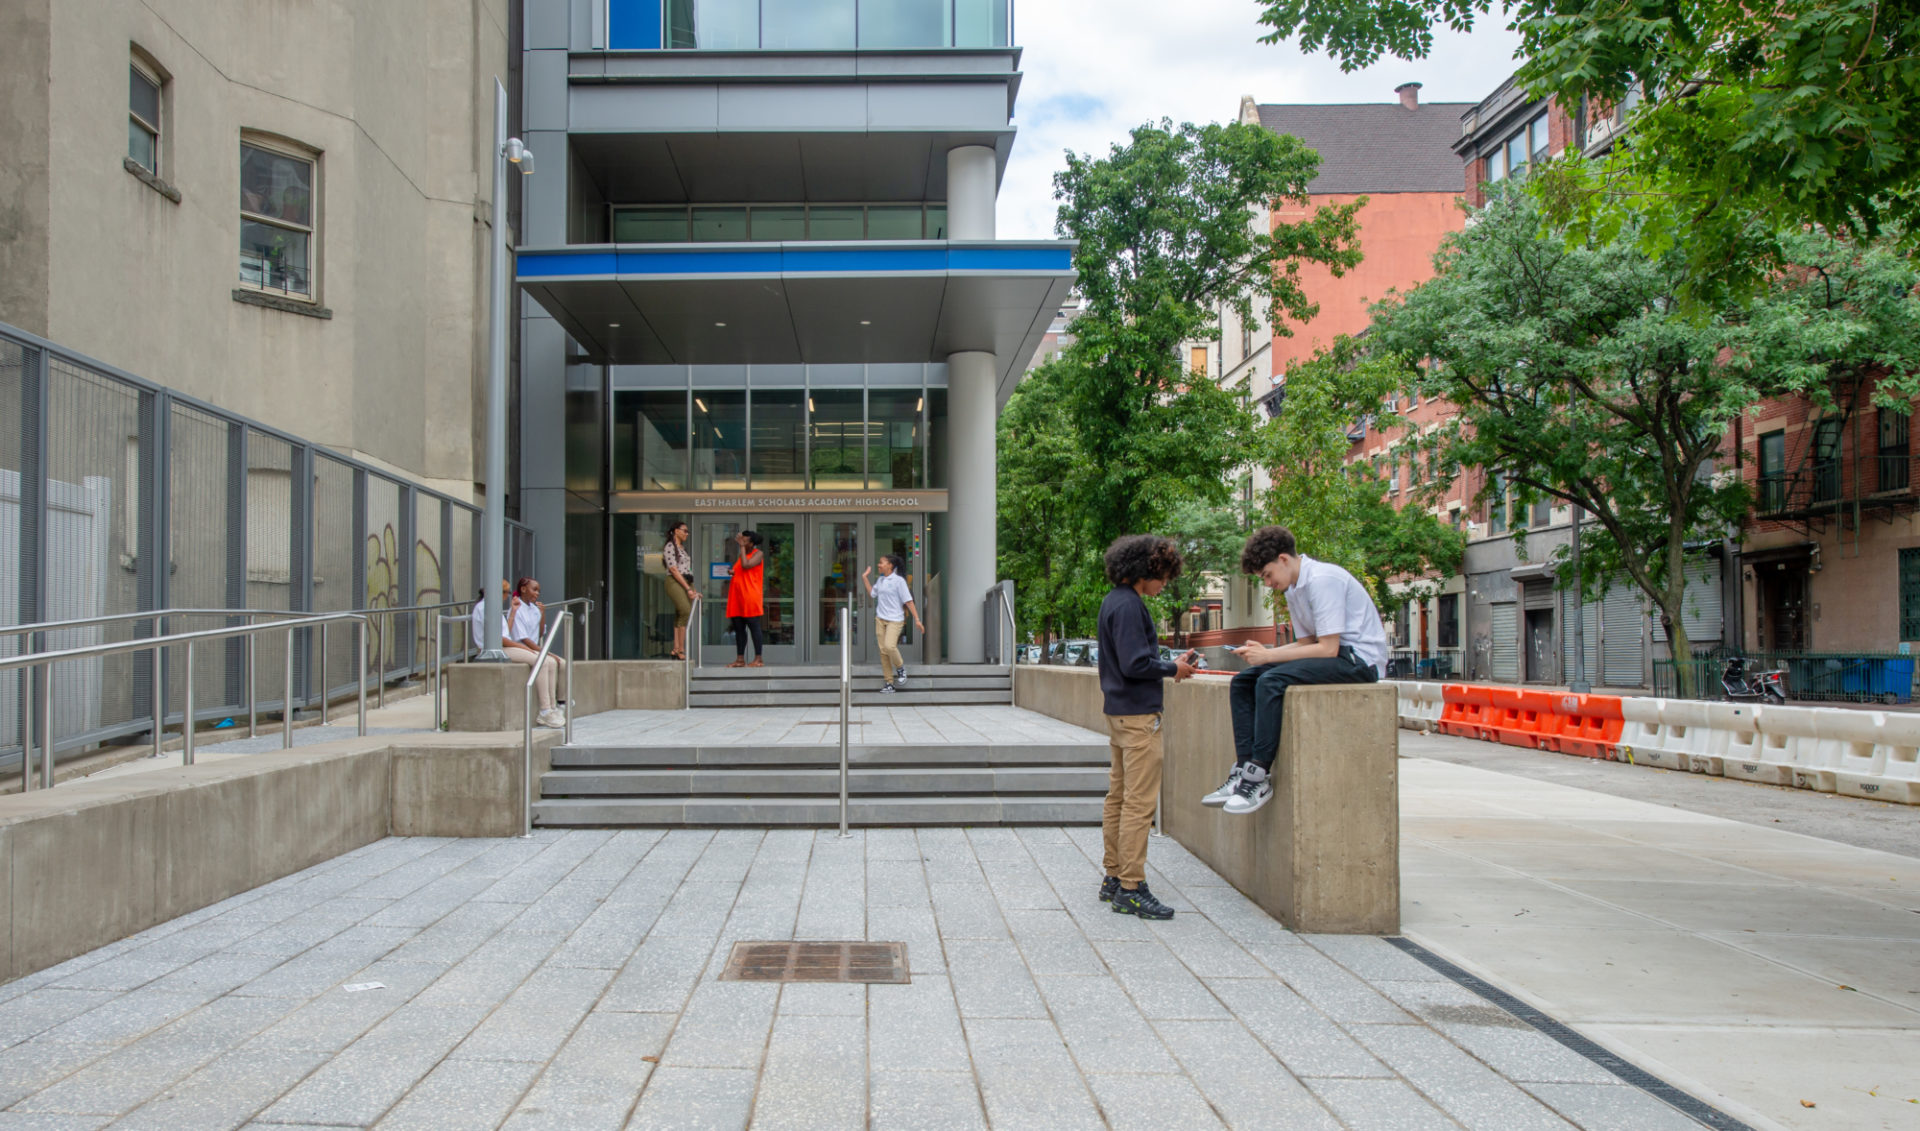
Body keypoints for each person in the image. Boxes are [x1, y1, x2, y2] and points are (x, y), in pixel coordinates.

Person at [1206, 526, 1387, 815]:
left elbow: (1328, 648)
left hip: (1360, 660)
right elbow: (1305, 644)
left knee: (1271, 680)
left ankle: (1257, 777)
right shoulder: (1293, 588)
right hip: (1335, 654)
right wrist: (1264, 654)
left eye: (1268, 575)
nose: (1268, 583)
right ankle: (1242, 770)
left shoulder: (1322, 579)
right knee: (1243, 682)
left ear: (1283, 559)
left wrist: (1269, 657)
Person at [1095, 534, 1198, 920]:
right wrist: (1173, 668)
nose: (1164, 584)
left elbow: (1130, 658)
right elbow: (1135, 664)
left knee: (1119, 798)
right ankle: (1131, 888)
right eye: (1164, 577)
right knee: (1139, 804)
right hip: (1139, 717)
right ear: (1147, 570)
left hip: (1119, 712)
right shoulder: (1129, 606)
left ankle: (1113, 876)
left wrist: (1171, 662)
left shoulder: (1113, 601)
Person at [509, 577, 568, 728]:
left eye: (539, 591)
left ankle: (557, 705)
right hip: (522, 647)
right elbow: (523, 638)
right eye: (534, 589)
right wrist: (544, 652)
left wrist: (542, 614)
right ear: (523, 589)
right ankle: (546, 709)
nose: (537, 593)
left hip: (534, 647)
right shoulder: (517, 608)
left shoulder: (535, 609)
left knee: (561, 663)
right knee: (547, 661)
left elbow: (540, 633)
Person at [861, 554, 924, 692]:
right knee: (883, 652)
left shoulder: (899, 581)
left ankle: (900, 668)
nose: (878, 565)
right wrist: (864, 577)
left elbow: (908, 601)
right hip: (880, 619)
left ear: (890, 565)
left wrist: (917, 619)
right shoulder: (881, 580)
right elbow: (872, 593)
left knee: (889, 646)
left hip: (895, 620)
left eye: (881, 562)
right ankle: (889, 683)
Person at [726, 529, 766, 668]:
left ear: (751, 543)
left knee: (754, 627)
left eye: (745, 540)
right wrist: (733, 572)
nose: (741, 542)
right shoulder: (741, 555)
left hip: (750, 596)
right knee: (739, 628)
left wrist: (741, 547)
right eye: (741, 540)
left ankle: (758, 658)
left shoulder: (758, 554)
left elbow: (746, 565)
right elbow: (741, 569)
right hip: (737, 597)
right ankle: (740, 659)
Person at [661, 521, 696, 661]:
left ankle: (675, 649)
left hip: (686, 581)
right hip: (674, 581)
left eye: (688, 531)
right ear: (676, 531)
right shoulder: (670, 546)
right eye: (685, 531)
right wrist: (687, 588)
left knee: (680, 613)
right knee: (685, 610)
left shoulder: (683, 548)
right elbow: (674, 570)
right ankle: (681, 649)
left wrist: (693, 589)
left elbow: (687, 570)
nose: (687, 533)